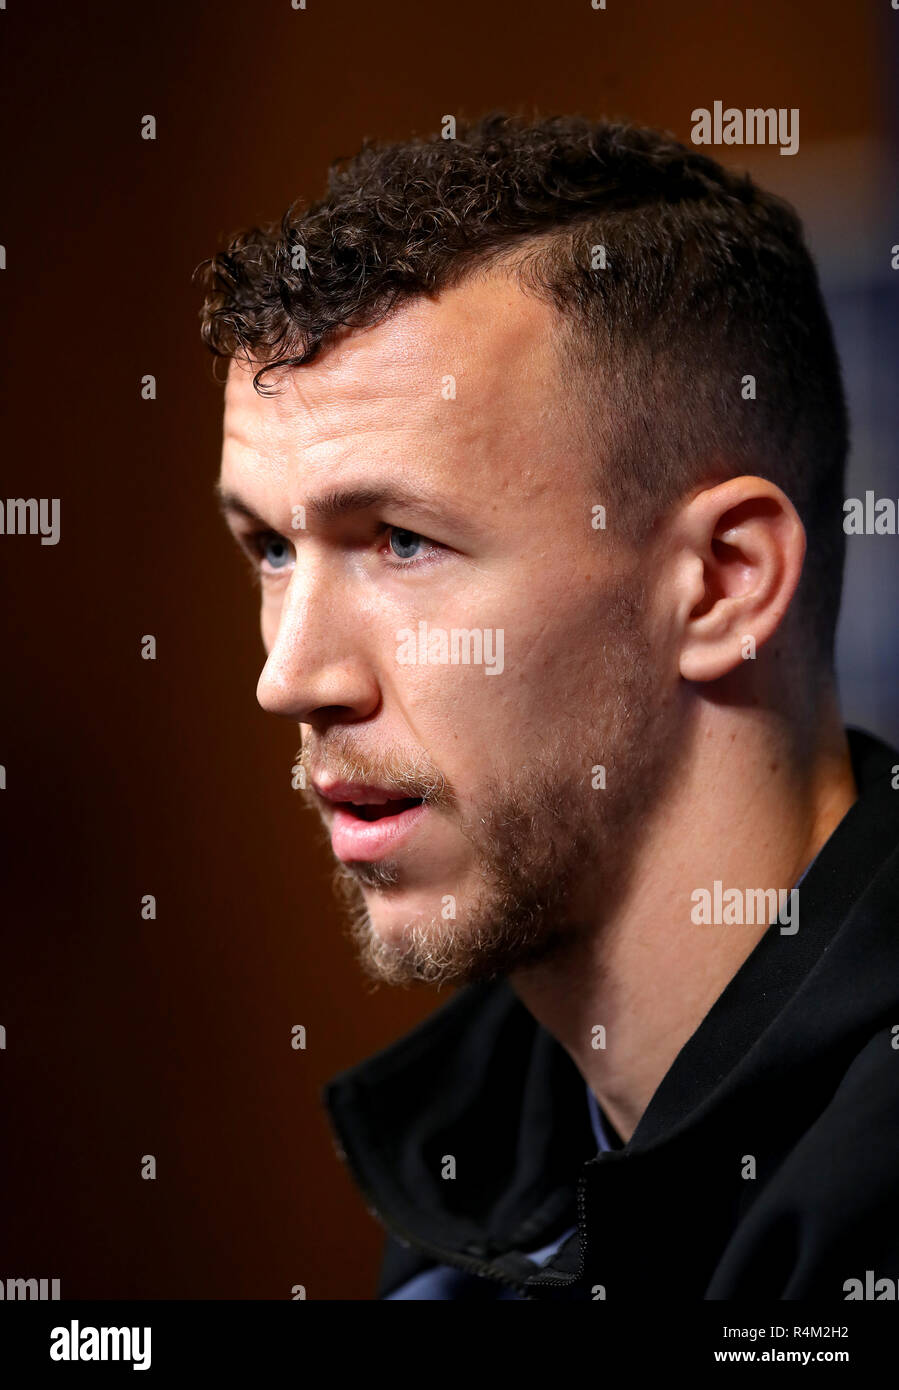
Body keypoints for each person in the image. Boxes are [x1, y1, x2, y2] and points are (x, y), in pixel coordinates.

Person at [197, 112, 899, 1299]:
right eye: (270, 547)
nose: (291, 677)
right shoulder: (487, 1156)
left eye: (401, 542)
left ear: (723, 582)